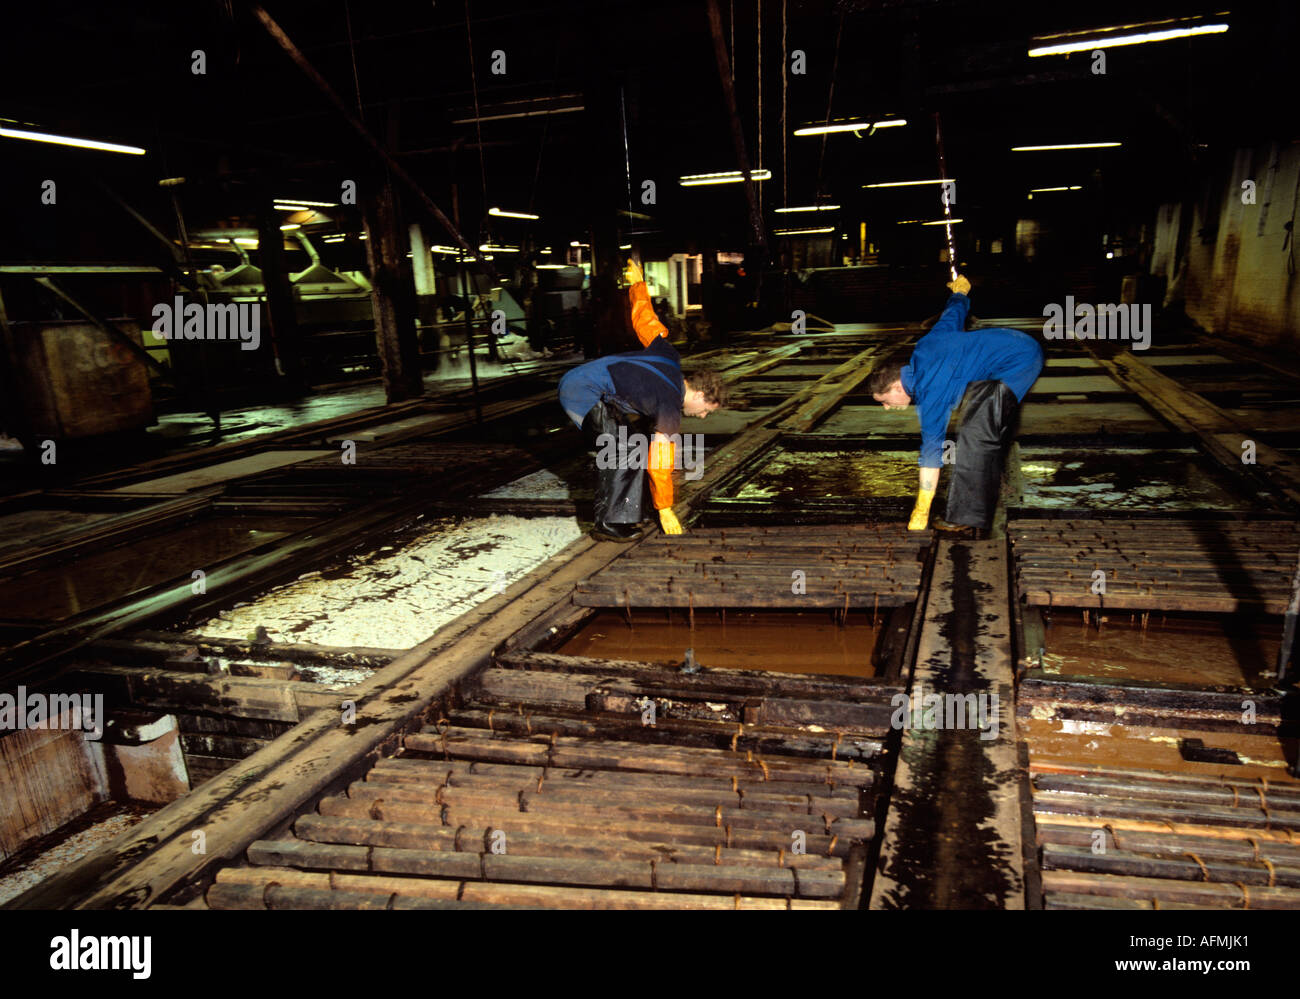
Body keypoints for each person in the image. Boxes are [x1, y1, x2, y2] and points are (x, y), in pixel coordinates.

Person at [558, 260, 728, 542]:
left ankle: (624, 517)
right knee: (621, 451)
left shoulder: (670, 357)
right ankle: (607, 525)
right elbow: (660, 462)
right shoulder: (670, 403)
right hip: (582, 390)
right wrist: (665, 508)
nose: (702, 417)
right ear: (698, 394)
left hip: (593, 386)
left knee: (632, 447)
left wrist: (638, 285)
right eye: (706, 411)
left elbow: (645, 320)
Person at [869, 274, 1043, 540]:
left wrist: (921, 510)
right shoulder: (925, 347)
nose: (886, 408)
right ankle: (993, 483)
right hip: (1015, 343)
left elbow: (931, 454)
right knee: (985, 417)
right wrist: (960, 293)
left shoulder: (931, 394)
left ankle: (963, 517)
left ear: (896, 388)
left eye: (884, 401)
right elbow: (952, 315)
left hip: (1018, 362)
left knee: (976, 434)